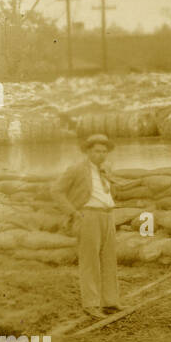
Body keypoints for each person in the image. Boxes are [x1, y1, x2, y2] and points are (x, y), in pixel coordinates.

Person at [51, 133, 122, 319]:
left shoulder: (106, 169)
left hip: (107, 215)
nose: (101, 155)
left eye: (104, 151)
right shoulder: (76, 169)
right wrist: (73, 212)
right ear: (88, 151)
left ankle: (110, 302)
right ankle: (91, 304)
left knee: (109, 259)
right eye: (97, 151)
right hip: (88, 216)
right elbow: (56, 190)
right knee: (89, 262)